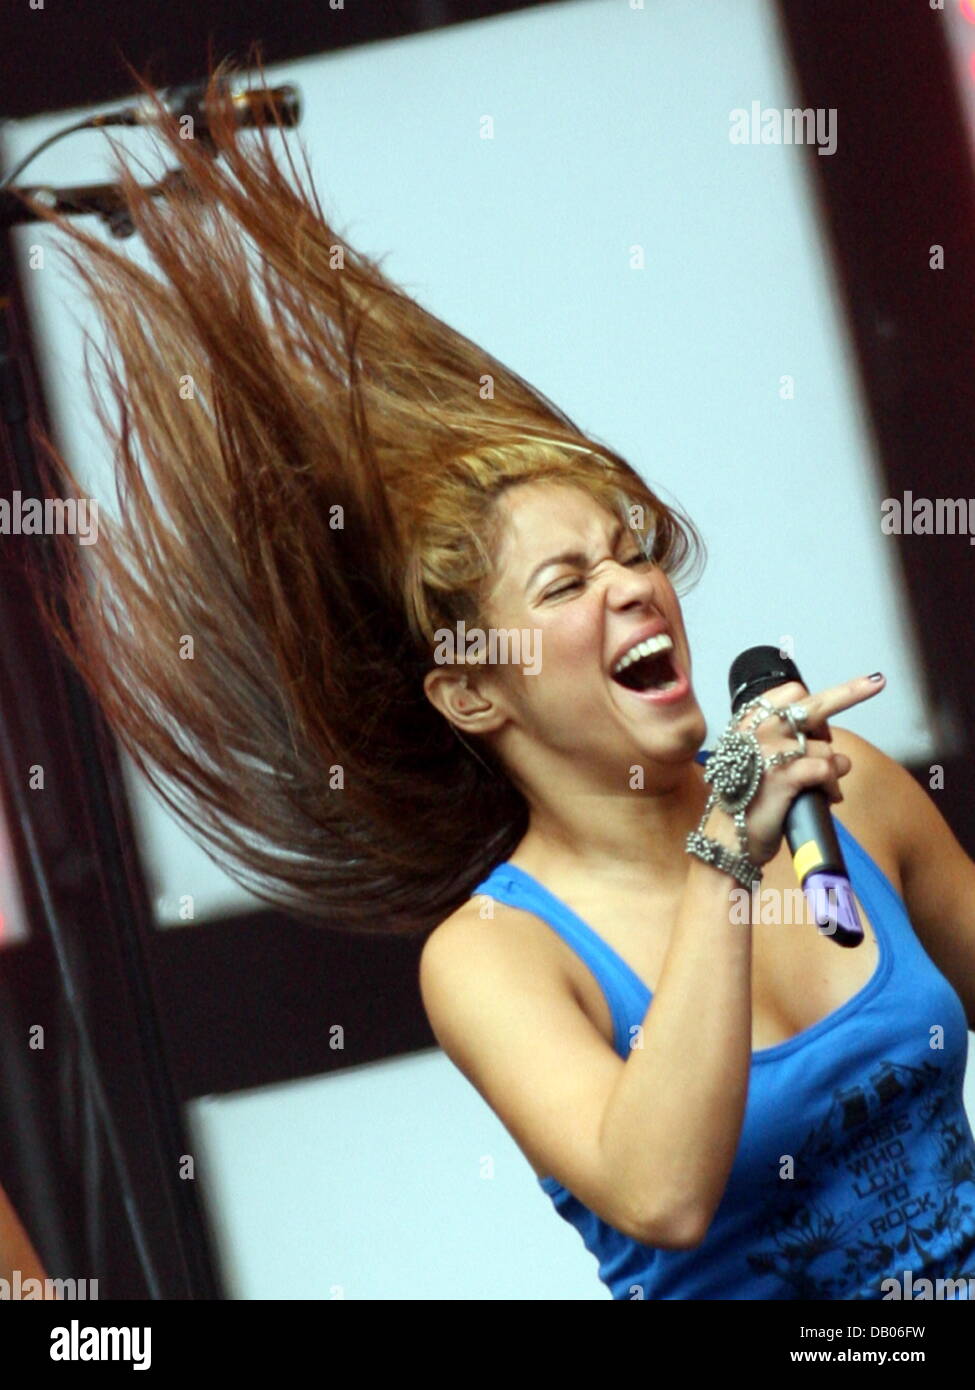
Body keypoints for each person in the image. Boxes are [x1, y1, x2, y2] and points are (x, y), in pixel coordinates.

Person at [20, 57, 975, 1301]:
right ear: (474, 693)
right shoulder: (495, 957)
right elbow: (665, 1190)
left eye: (633, 553)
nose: (633, 587)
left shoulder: (854, 798)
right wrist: (728, 850)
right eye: (567, 584)